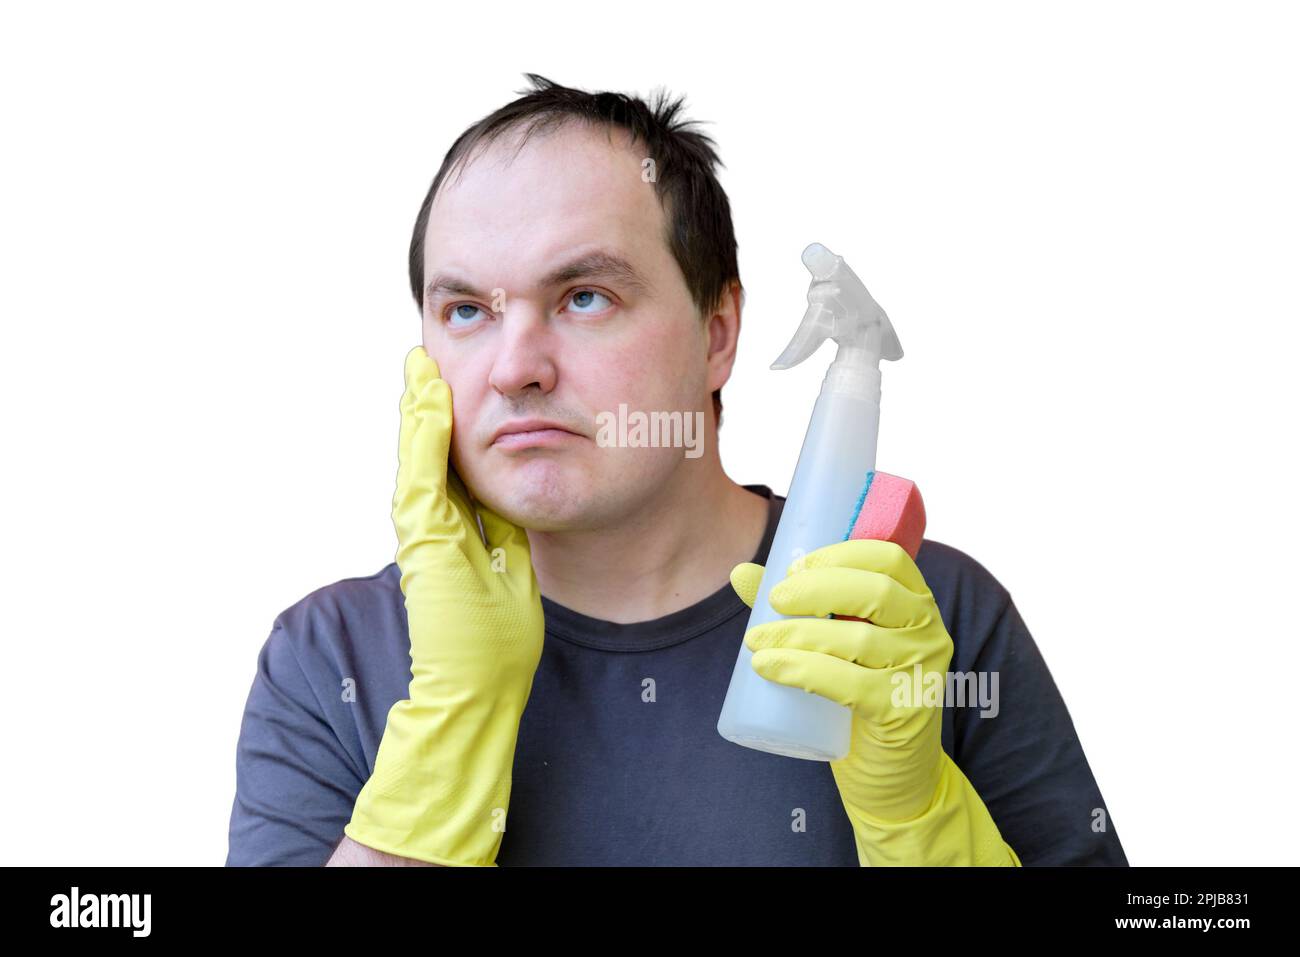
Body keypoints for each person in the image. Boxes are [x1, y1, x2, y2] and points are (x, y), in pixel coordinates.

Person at [225, 74, 1128, 867]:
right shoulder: (330, 658)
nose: (515, 366)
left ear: (717, 332)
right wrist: (450, 723)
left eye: (585, 297)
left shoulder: (911, 616)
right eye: (465, 309)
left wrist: (918, 817)